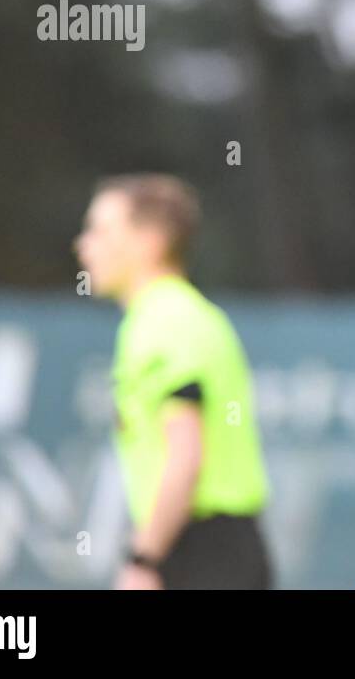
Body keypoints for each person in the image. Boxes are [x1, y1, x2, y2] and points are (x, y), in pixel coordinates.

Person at [75, 173, 273, 589]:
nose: (83, 245)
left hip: (203, 555)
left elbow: (185, 457)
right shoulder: (176, 315)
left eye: (99, 230)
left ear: (151, 241)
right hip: (213, 550)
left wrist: (143, 560)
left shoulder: (165, 320)